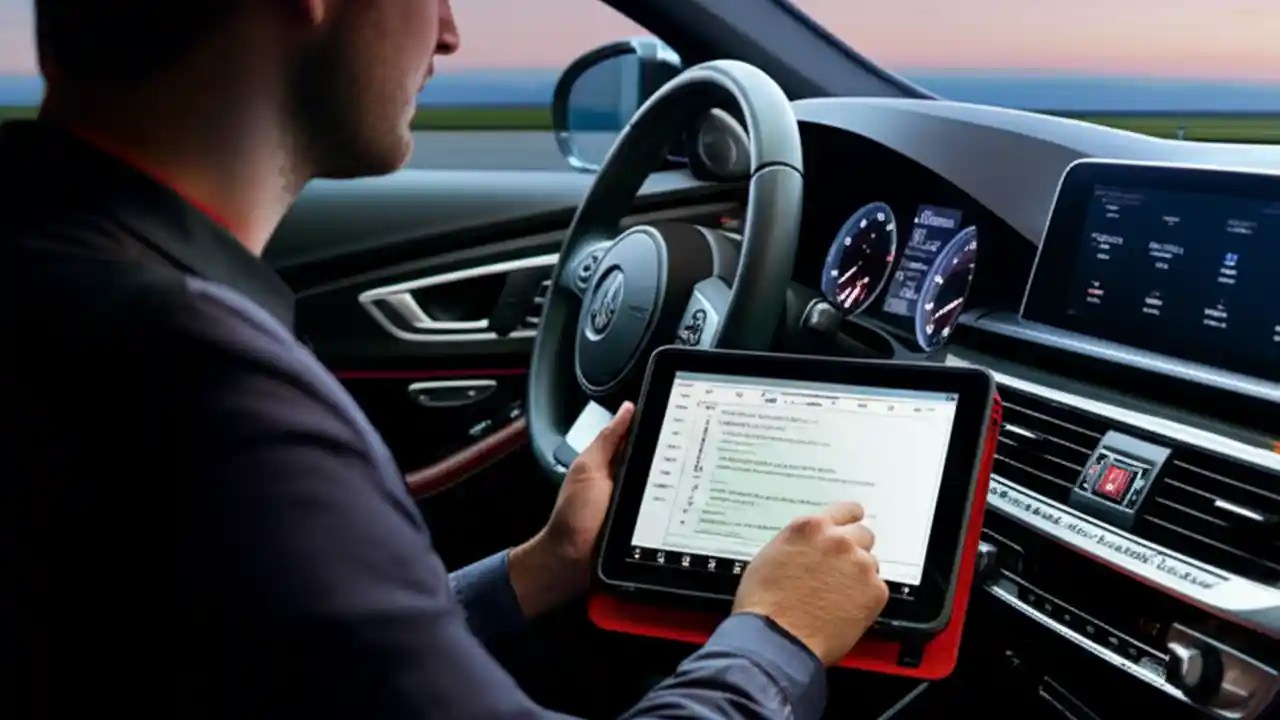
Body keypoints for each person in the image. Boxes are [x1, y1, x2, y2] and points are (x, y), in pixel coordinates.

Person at [0, 1, 889, 718]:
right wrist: (779, 635)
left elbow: (298, 653)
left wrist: (542, 566)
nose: (451, 31)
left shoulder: (67, 283)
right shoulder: (196, 386)